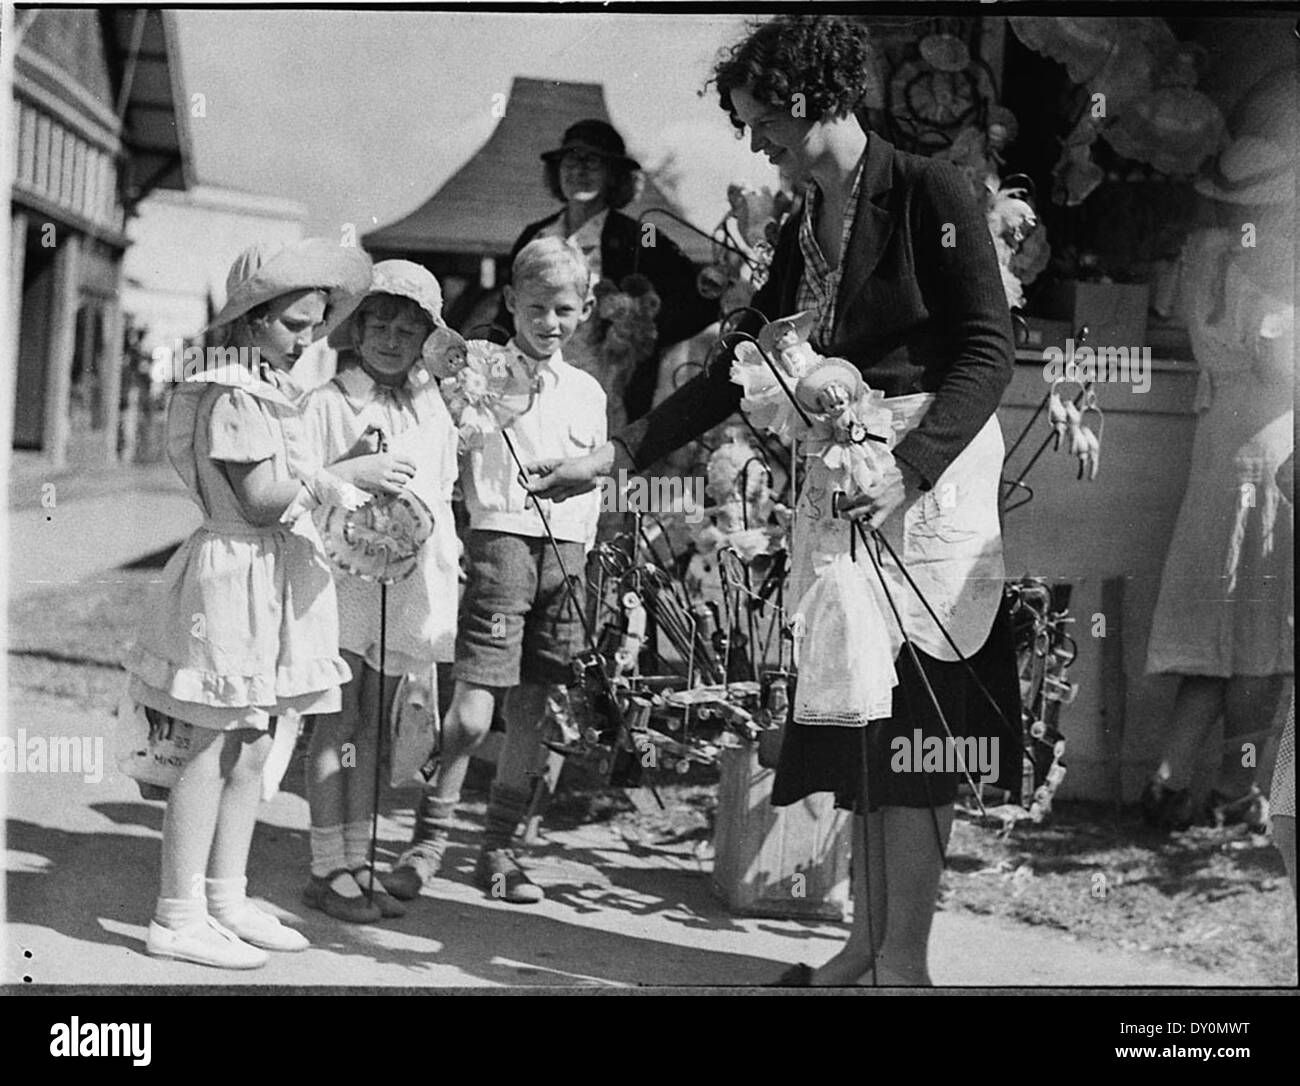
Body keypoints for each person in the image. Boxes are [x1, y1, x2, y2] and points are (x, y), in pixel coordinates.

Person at [526, 15, 1021, 985]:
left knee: (918, 727)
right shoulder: (806, 223)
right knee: (868, 725)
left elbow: (989, 351)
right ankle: (862, 949)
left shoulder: (931, 191)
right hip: (848, 487)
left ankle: (904, 969)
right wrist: (626, 446)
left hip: (924, 486)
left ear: (809, 98)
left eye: (762, 123)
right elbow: (744, 357)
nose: (756, 144)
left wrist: (910, 466)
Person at [124, 238, 373, 968]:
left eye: (317, 325)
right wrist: (340, 475)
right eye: (295, 324)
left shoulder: (266, 390)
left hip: (267, 577)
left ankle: (225, 896)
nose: (308, 340)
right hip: (232, 574)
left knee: (256, 737)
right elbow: (262, 503)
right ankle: (175, 913)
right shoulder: (234, 391)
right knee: (212, 739)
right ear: (252, 319)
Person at [391, 237, 606, 904]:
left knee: (534, 709)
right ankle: (427, 843)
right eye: (535, 306)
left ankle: (502, 852)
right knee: (472, 715)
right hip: (502, 544)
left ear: (587, 309)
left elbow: (602, 464)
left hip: (568, 555)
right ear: (511, 302)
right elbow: (446, 442)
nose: (549, 322)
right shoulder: (477, 376)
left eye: (564, 309)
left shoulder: (589, 391)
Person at [1142, 68, 1295, 833]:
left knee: (1216, 632)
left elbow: (1185, 330)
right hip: (1270, 447)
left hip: (1216, 441)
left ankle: (1168, 780)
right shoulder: (1277, 267)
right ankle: (1237, 796)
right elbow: (1285, 367)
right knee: (1261, 645)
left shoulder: (1203, 251)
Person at [300, 261, 459, 921]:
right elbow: (301, 484)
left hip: (406, 581)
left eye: (408, 327)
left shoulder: (434, 405)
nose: (392, 338)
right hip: (341, 582)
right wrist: (351, 473)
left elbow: (441, 493)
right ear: (356, 324)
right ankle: (325, 865)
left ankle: (358, 858)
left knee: (374, 727)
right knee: (336, 721)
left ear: (427, 335)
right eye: (380, 322)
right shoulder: (330, 401)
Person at [493, 119, 716, 431]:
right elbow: (505, 316)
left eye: (593, 162)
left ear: (614, 175)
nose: (579, 171)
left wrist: (643, 334)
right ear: (557, 171)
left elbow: (703, 296)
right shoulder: (536, 235)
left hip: (607, 394)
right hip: (532, 386)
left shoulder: (641, 236)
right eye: (571, 160)